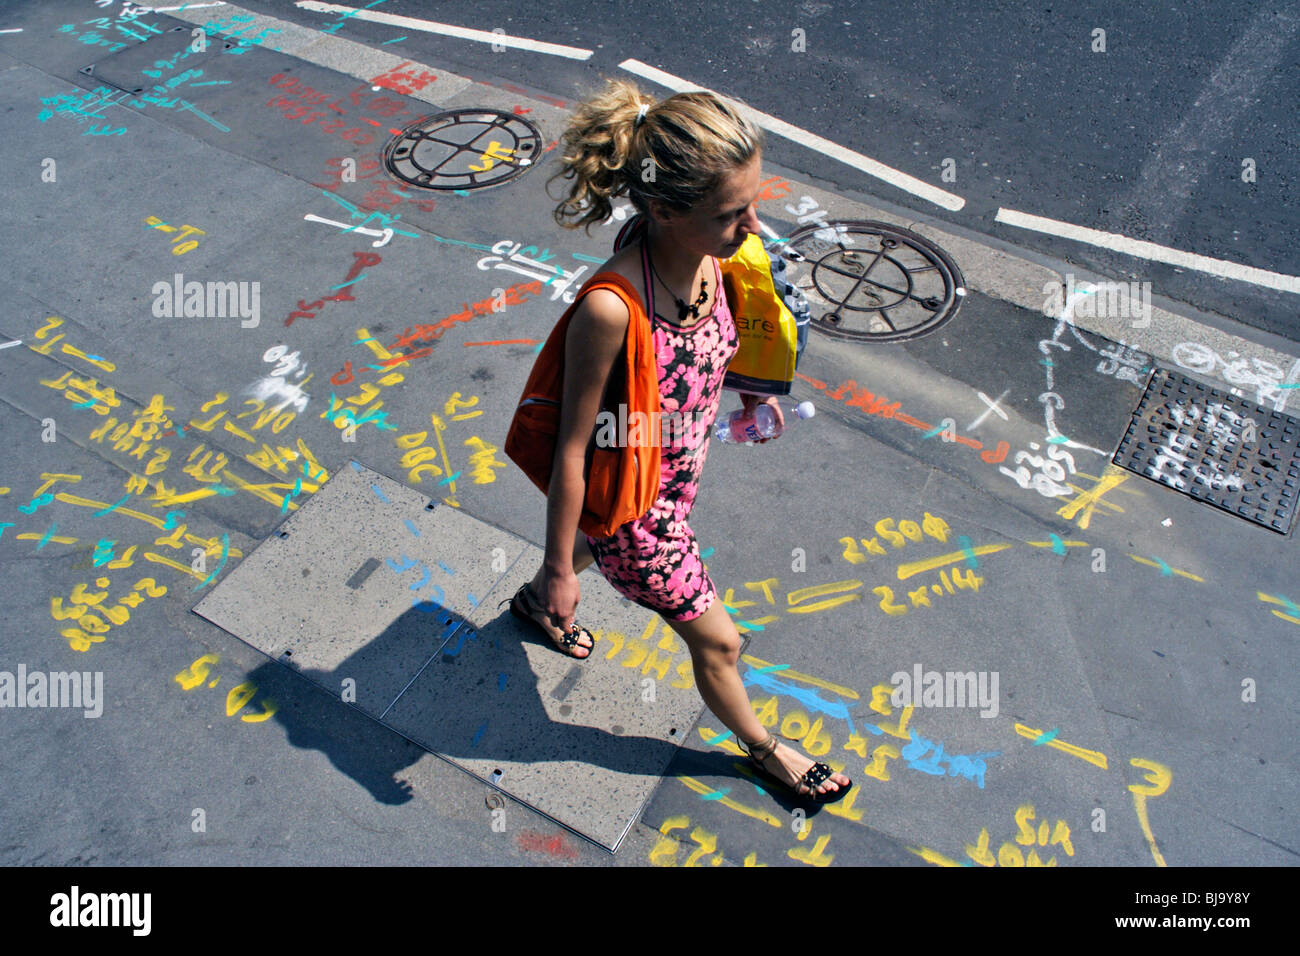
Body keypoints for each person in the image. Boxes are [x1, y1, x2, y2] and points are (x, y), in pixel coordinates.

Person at [508, 79, 851, 803]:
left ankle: (538, 603)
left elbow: (714, 343)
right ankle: (765, 751)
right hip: (640, 515)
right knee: (719, 642)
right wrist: (560, 566)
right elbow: (574, 449)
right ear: (663, 210)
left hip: (673, 476)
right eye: (733, 213)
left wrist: (752, 385)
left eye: (755, 202)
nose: (754, 227)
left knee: (587, 548)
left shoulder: (706, 254)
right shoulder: (610, 309)